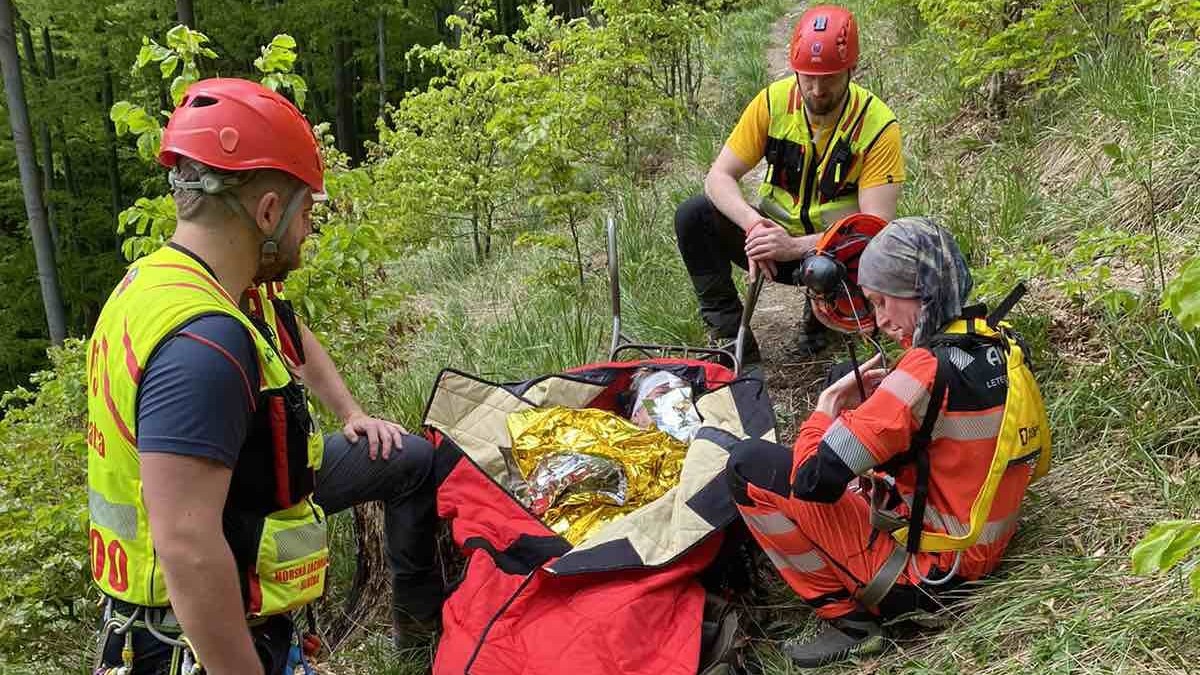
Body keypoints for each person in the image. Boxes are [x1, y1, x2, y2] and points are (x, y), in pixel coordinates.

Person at [86, 78, 441, 675]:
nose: (308, 229)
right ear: (270, 211)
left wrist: (351, 413)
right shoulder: (205, 341)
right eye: (306, 211)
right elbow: (189, 549)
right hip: (197, 646)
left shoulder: (151, 286)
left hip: (159, 630)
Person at [724, 217, 1050, 667]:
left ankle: (850, 622)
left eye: (881, 301)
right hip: (977, 548)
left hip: (930, 581)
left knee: (747, 466)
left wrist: (826, 408)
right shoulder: (997, 339)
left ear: (919, 290)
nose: (878, 319)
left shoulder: (924, 371)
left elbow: (811, 480)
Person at [674, 5, 904, 366]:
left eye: (828, 78)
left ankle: (820, 331)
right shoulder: (772, 102)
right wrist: (754, 228)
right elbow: (718, 177)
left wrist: (794, 246)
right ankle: (731, 338)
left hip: (834, 255)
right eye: (807, 77)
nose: (816, 89)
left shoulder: (877, 127)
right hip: (770, 241)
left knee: (830, 266)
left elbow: (876, 228)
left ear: (852, 71)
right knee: (693, 215)